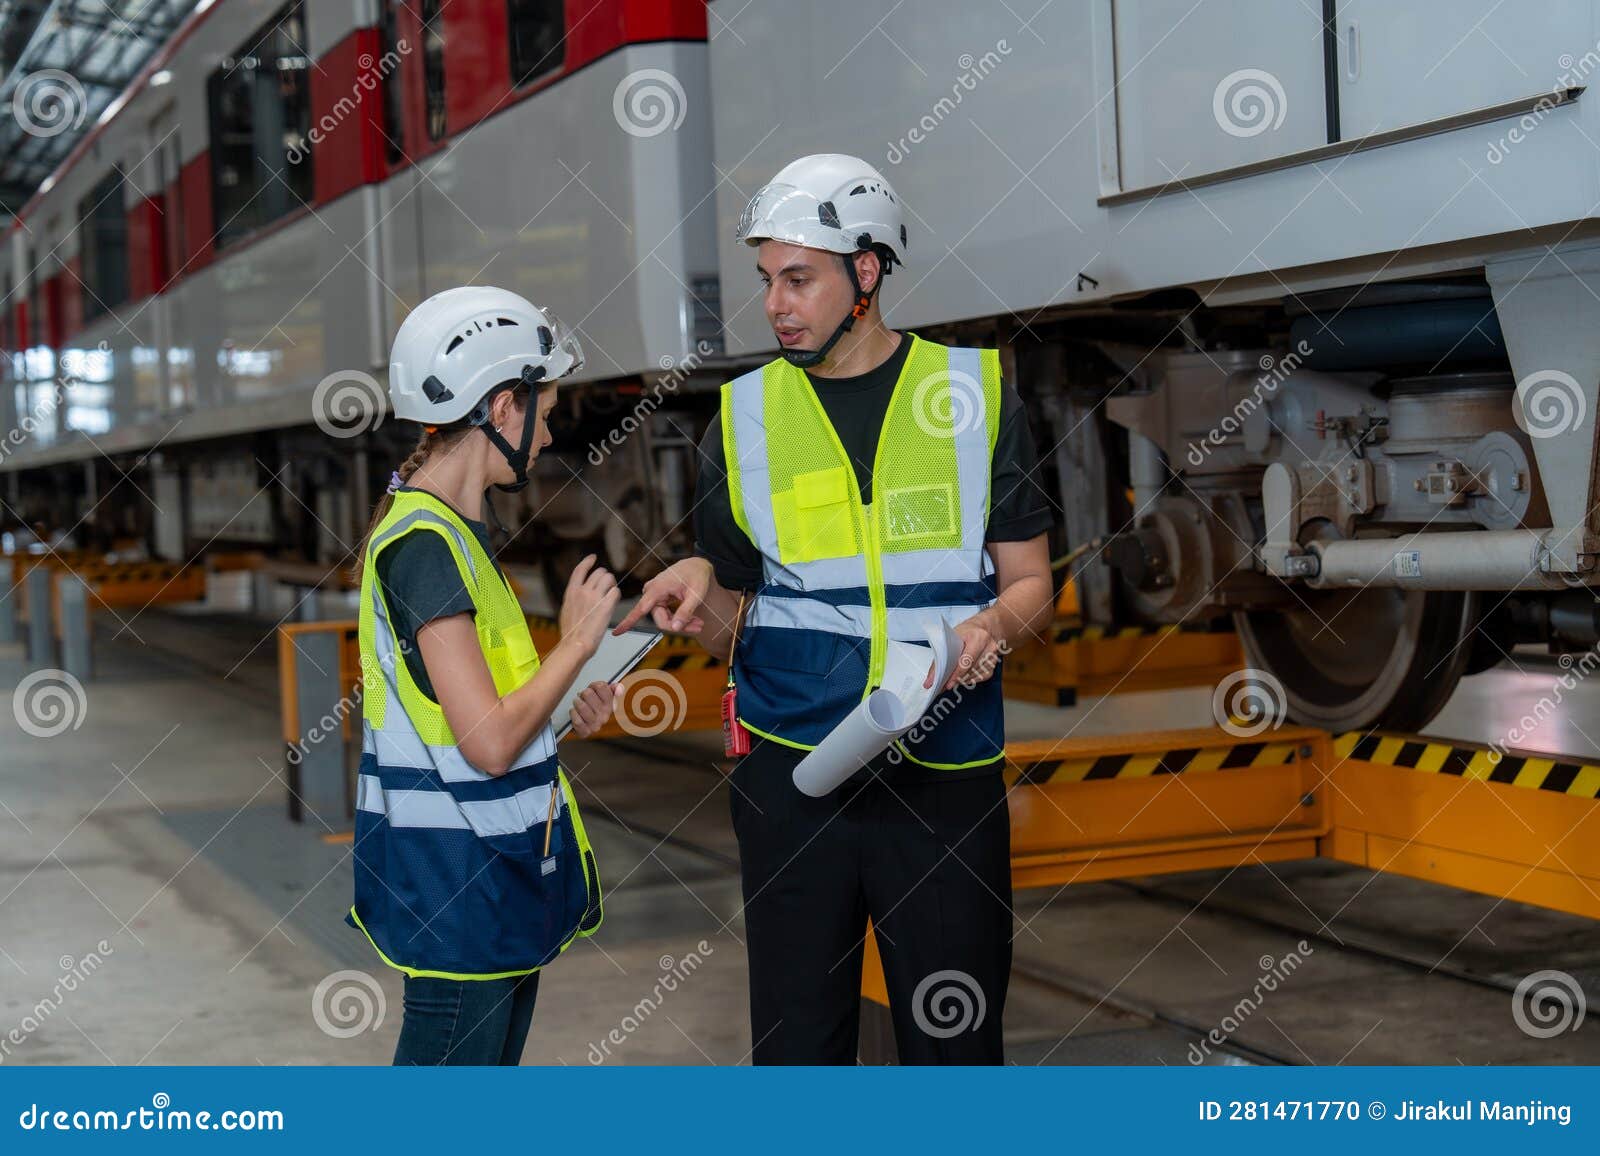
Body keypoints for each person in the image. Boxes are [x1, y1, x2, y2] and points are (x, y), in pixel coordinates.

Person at [616, 154, 1056, 1063]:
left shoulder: (975, 395)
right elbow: (741, 614)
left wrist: (991, 629)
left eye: (798, 278)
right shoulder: (737, 421)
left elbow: (1031, 585)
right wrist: (701, 607)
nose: (776, 304)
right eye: (767, 280)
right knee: (797, 1047)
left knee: (958, 1048)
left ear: (866, 272)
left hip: (945, 771)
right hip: (792, 777)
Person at [348, 285, 623, 1065]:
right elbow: (489, 745)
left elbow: (476, 715)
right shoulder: (428, 549)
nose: (547, 436)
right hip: (455, 892)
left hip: (486, 882)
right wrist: (573, 645)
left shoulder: (451, 534)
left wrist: (565, 704)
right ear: (505, 406)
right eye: (547, 409)